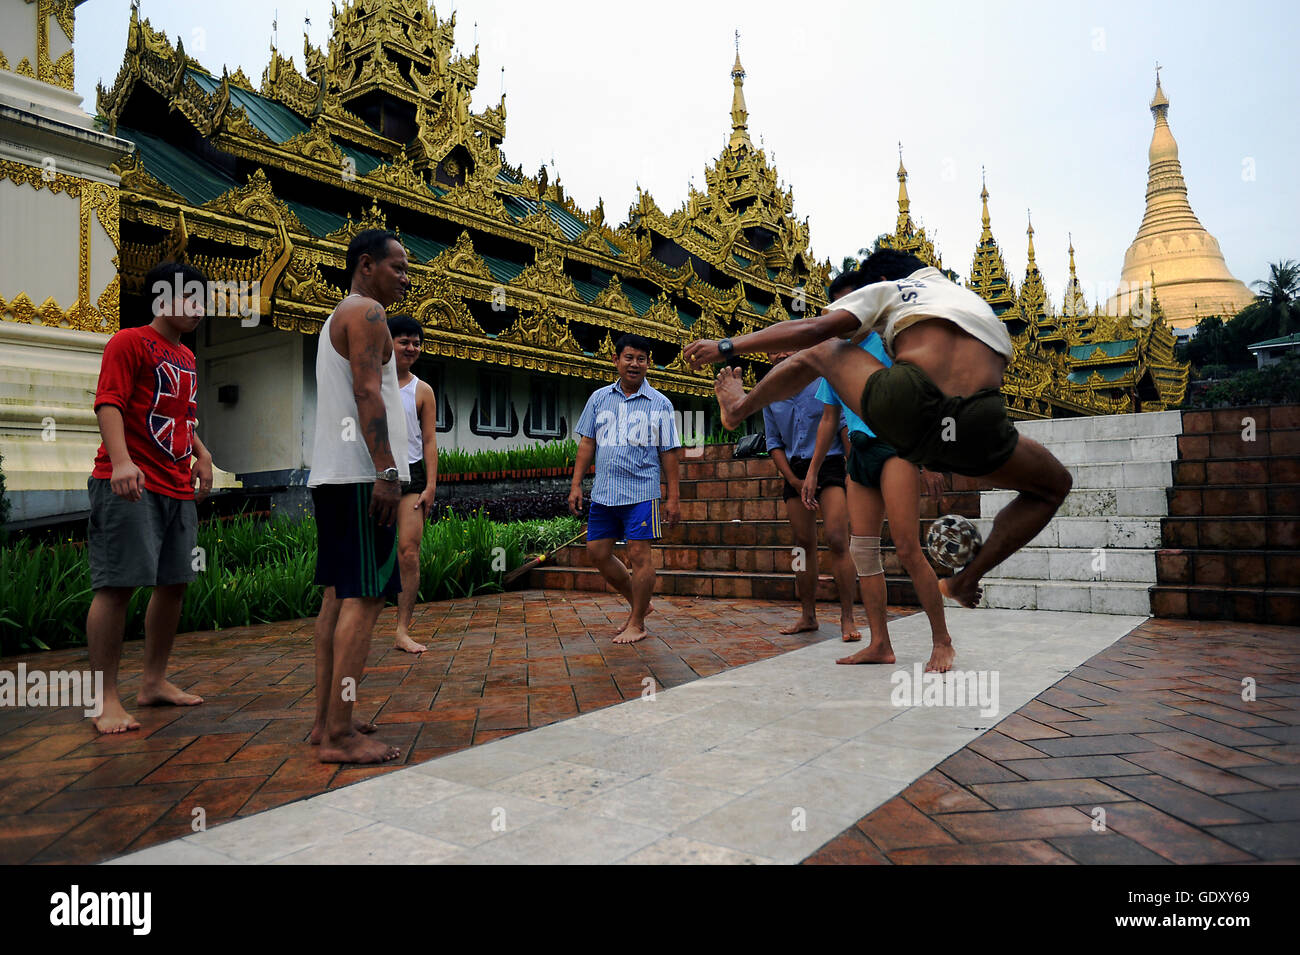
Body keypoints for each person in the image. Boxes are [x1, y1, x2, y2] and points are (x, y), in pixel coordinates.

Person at [682, 249, 1072, 611]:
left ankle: (738, 407)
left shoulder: (891, 288)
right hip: (979, 423)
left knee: (825, 350)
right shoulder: (968, 300)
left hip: (906, 403)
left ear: (881, 278)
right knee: (1053, 486)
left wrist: (728, 346)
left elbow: (814, 329)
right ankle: (965, 580)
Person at [85, 260, 213, 734]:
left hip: (176, 484)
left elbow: (182, 415)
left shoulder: (186, 357)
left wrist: (201, 453)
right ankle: (105, 699)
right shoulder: (129, 341)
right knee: (116, 586)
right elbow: (109, 402)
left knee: (174, 583)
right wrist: (121, 462)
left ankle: (153, 682)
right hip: (129, 483)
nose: (200, 310)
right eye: (190, 299)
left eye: (205, 302)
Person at [813, 271, 955, 672]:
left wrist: (927, 459)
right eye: (841, 308)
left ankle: (942, 641)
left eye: (853, 306)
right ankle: (880, 642)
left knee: (909, 549)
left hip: (895, 448)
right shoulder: (835, 355)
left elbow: (922, 401)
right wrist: (813, 472)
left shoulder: (891, 345)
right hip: (859, 454)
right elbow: (828, 419)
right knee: (864, 551)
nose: (848, 315)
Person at [307, 229, 410, 764]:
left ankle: (327, 718)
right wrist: (387, 471)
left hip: (335, 476)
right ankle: (341, 735)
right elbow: (368, 391)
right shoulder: (367, 313)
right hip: (360, 477)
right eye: (399, 268)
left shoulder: (342, 315)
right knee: (365, 598)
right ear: (366, 265)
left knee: (338, 596)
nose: (407, 279)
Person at [568, 334, 682, 644]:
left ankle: (637, 623)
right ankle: (640, 605)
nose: (634, 364)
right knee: (597, 553)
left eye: (641, 359)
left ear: (649, 363)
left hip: (641, 492)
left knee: (639, 555)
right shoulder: (599, 398)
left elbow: (668, 452)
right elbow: (587, 442)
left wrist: (673, 497)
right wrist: (577, 484)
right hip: (605, 491)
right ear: (616, 360)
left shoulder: (660, 403)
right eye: (628, 357)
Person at [760, 358, 860, 642]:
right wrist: (793, 479)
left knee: (838, 539)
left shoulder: (824, 382)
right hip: (794, 470)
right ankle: (807, 615)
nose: (783, 356)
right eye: (776, 352)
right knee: (802, 546)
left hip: (829, 465)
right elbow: (773, 442)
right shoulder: (769, 393)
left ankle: (847, 617)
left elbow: (842, 426)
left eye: (790, 349)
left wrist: (854, 468)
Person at [388, 313, 439, 655]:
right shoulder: (368, 382)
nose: (411, 348)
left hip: (412, 476)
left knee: (408, 553)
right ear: (386, 342)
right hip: (372, 475)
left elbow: (429, 441)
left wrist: (432, 485)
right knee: (371, 554)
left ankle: (402, 629)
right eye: (403, 341)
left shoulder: (422, 390)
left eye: (416, 343)